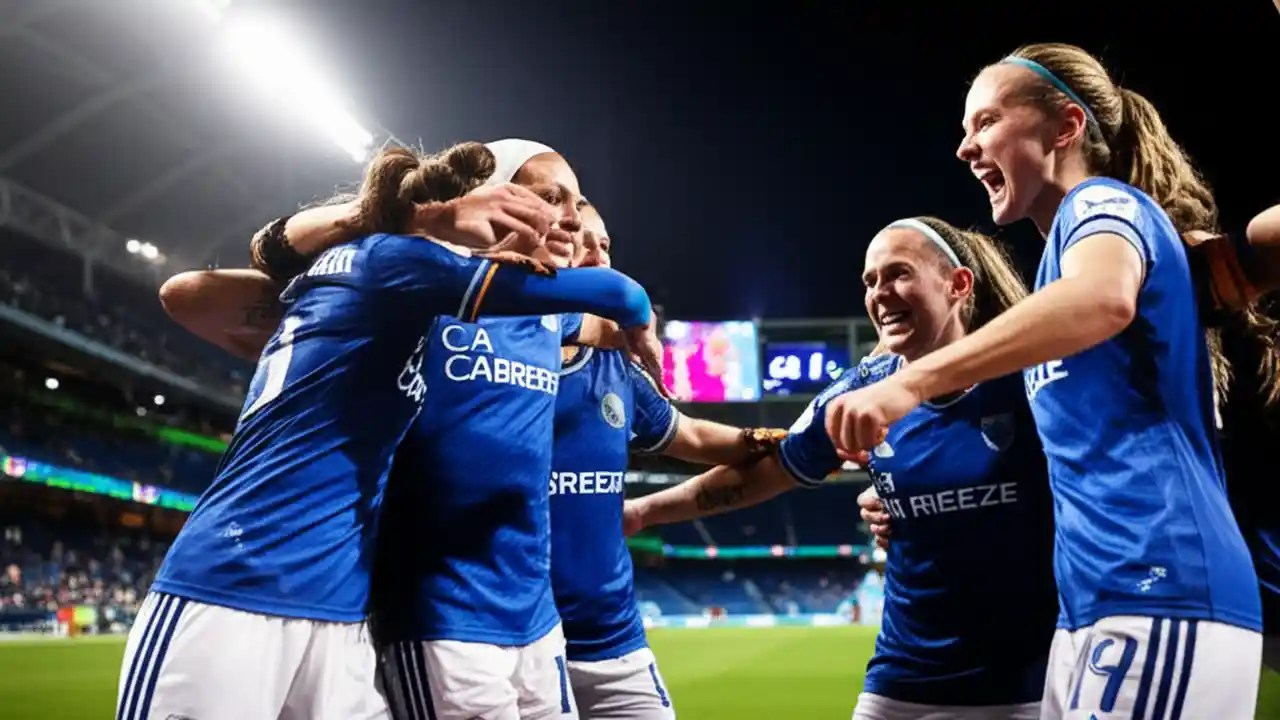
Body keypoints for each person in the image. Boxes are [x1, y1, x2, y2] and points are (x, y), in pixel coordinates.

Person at [126, 141, 660, 720]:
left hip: (344, 604)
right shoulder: (405, 266)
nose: (572, 221)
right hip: (236, 579)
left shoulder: (436, 283)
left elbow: (594, 314)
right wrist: (429, 222)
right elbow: (620, 296)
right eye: (553, 199)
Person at [826, 43, 1266, 718]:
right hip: (1097, 607)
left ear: (1064, 126)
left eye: (986, 121)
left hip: (1160, 589)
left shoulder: (1101, 203)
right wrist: (914, 504)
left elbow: (1104, 297)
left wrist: (908, 384)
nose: (964, 148)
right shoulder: (1060, 272)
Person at [626, 216, 1058, 719]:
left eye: (899, 273)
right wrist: (640, 513)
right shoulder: (859, 392)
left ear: (958, 284)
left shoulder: (1028, 378)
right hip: (901, 682)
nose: (880, 292)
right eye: (870, 281)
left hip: (1026, 685)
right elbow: (762, 474)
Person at [550, 205, 786, 719]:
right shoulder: (494, 351)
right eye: (579, 238)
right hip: (521, 640)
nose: (598, 253)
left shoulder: (617, 367)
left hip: (612, 641)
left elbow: (695, 435)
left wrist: (787, 442)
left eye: (606, 243)